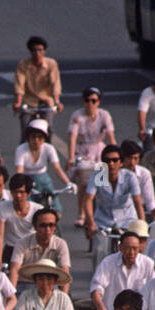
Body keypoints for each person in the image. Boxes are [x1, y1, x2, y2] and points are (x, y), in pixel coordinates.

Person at [66, 87, 115, 229]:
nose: (90, 104)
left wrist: (116, 153)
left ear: (98, 102)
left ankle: (101, 212)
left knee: (102, 181)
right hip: (82, 151)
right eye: (87, 101)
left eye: (94, 100)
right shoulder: (77, 116)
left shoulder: (104, 115)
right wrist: (70, 157)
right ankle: (81, 213)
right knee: (83, 181)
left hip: (99, 150)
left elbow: (111, 137)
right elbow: (72, 137)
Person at [86, 145, 144, 261]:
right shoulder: (97, 177)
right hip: (103, 220)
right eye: (107, 161)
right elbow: (88, 200)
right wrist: (91, 223)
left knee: (131, 252)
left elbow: (137, 201)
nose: (111, 164)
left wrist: (141, 224)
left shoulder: (130, 177)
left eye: (115, 160)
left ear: (121, 163)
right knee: (100, 253)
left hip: (127, 219)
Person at [89, 223, 153, 310]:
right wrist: (100, 308)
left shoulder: (148, 264)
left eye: (135, 249)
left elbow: (154, 290)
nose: (131, 252)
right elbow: (96, 287)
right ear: (120, 247)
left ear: (139, 248)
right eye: (127, 248)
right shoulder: (108, 262)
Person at [9, 207, 71, 290]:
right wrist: (12, 295)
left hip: (50, 285)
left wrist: (64, 298)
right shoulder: (22, 243)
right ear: (34, 227)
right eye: (43, 226)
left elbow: (64, 271)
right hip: (25, 284)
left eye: (51, 225)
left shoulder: (61, 244)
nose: (47, 230)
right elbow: (15, 269)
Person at [12, 35, 62, 123]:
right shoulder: (23, 65)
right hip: (28, 102)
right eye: (34, 50)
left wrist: (57, 101)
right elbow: (19, 85)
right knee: (25, 129)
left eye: (40, 50)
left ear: (44, 51)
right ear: (30, 51)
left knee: (48, 128)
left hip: (46, 102)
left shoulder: (51, 64)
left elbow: (55, 83)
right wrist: (18, 102)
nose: (37, 53)